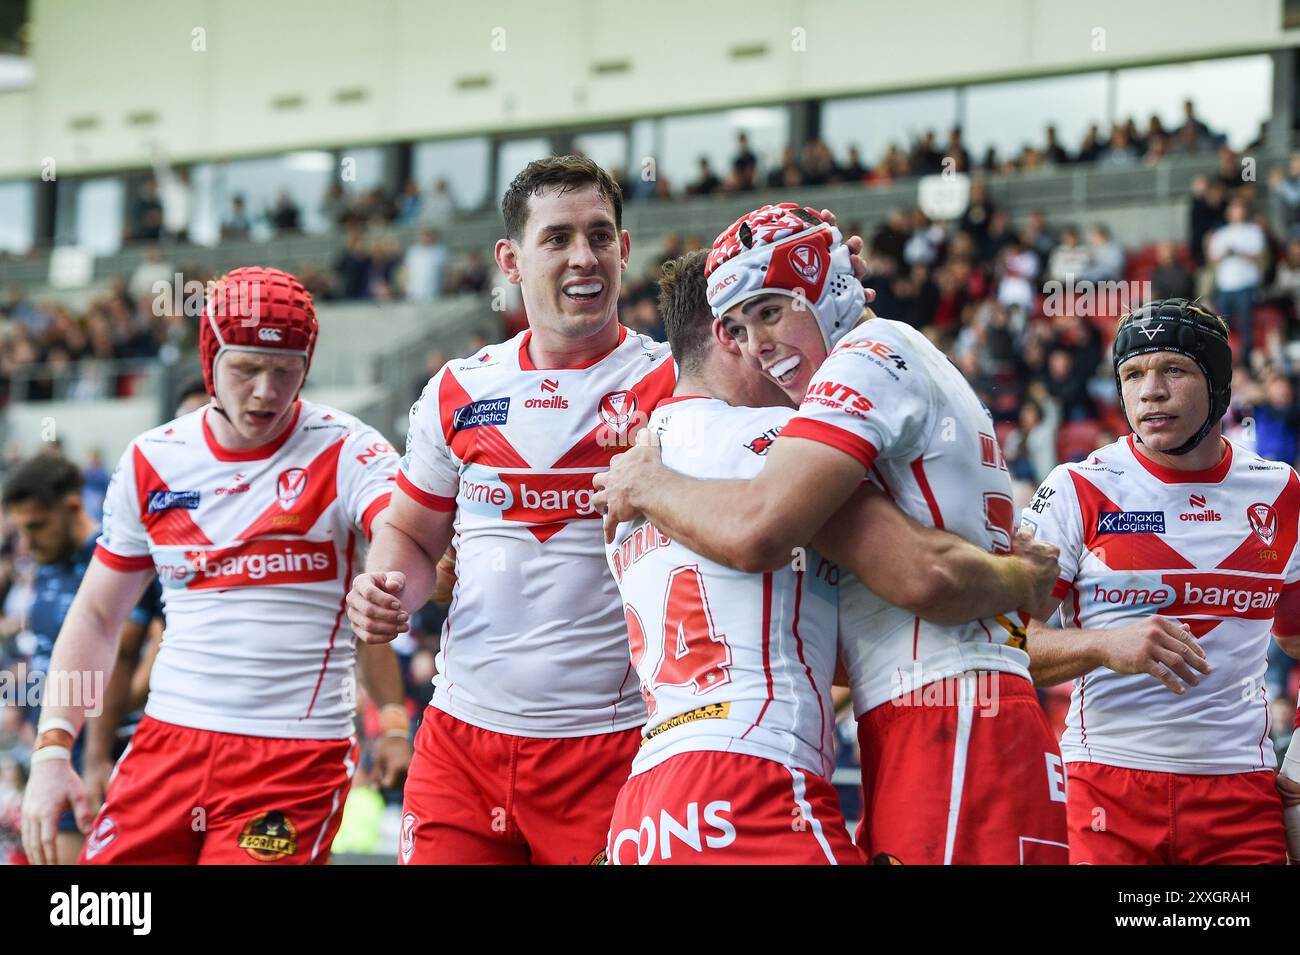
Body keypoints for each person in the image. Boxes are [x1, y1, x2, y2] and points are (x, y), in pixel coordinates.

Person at [595, 202, 1070, 864]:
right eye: (738, 326)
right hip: (928, 714)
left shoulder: (863, 359)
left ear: (828, 285)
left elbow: (800, 541)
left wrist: (646, 484)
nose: (758, 345)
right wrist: (1019, 578)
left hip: (938, 717)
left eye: (769, 311)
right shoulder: (879, 360)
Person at [347, 156, 677, 865]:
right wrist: (388, 589)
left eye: (600, 234)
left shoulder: (676, 381)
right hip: (462, 745)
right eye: (557, 238)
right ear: (512, 258)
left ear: (624, 247)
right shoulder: (459, 388)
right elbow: (407, 531)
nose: (583, 256)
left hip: (616, 744)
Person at [20, 267, 412, 865]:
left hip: (292, 757)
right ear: (210, 359)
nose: (265, 392)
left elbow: (399, 528)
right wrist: (53, 753)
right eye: (245, 368)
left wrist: (392, 578)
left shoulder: (348, 448)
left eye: (286, 372)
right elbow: (99, 617)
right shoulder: (154, 459)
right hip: (166, 743)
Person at [1020, 298, 1300, 864]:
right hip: (1104, 786)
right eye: (1132, 374)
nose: (1150, 390)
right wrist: (1102, 644)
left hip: (1241, 796)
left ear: (1217, 383)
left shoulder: (1283, 491)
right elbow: (1000, 645)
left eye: (1174, 369)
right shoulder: (1079, 486)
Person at [2, 455, 158, 865]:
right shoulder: (49, 565)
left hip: (100, 756)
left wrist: (101, 747)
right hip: (52, 750)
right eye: (21, 529)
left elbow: (132, 654)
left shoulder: (114, 558)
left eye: (36, 527)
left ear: (72, 509)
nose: (28, 542)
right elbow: (46, 655)